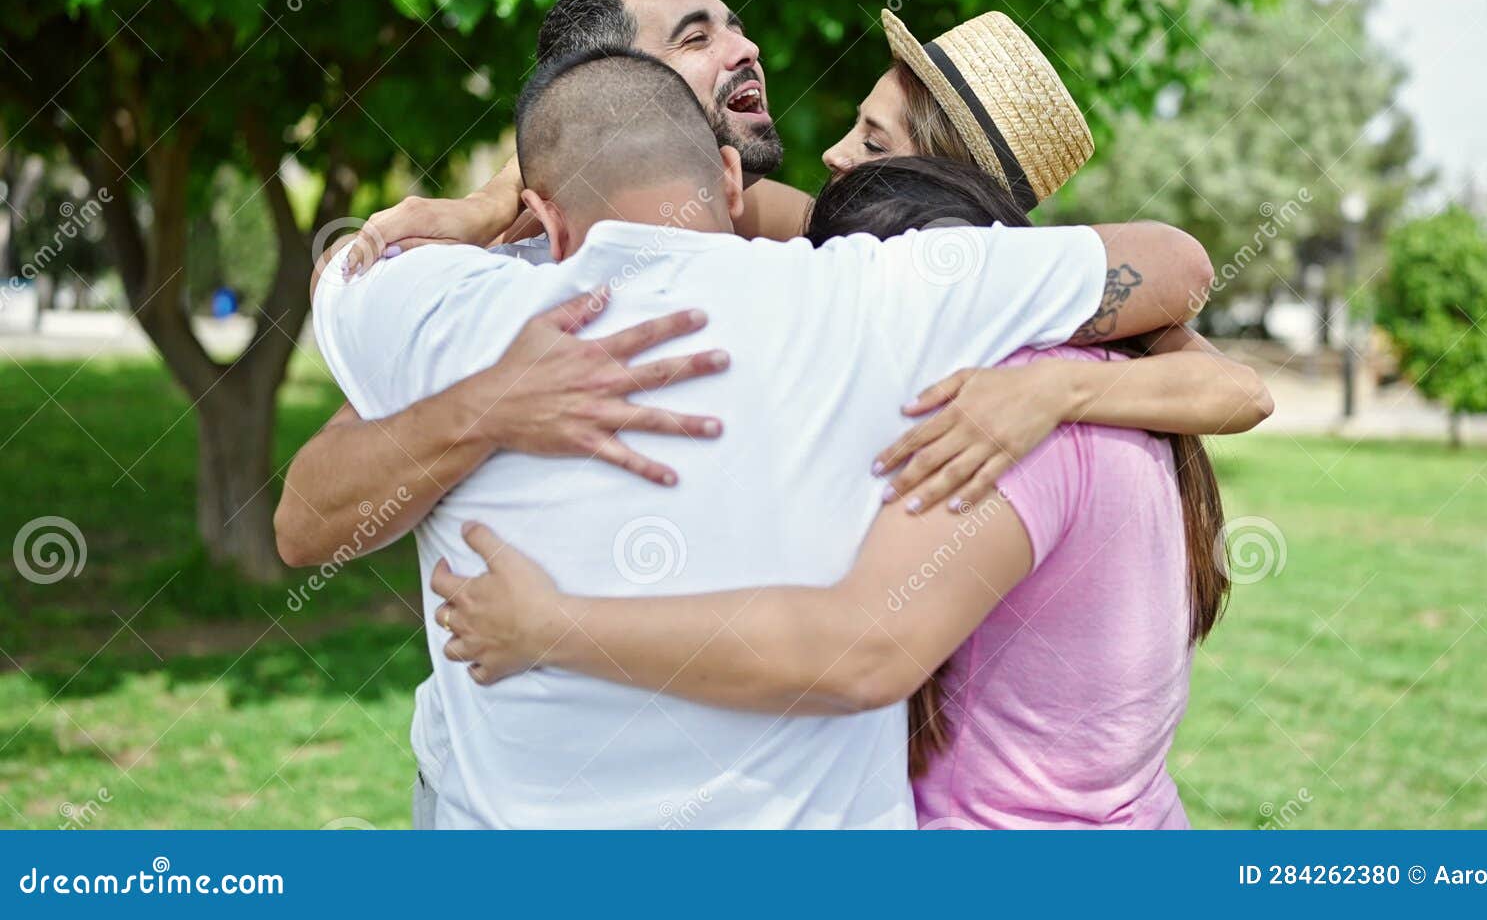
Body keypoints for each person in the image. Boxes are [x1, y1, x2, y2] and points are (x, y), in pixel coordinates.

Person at [311, 47, 1212, 827]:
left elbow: (860, 649)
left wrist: (551, 625)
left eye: (870, 143)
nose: (831, 154)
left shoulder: (986, 380)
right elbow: (1180, 288)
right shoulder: (906, 297)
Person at [275, 0, 1268, 568]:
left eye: (737, 22)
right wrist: (490, 382)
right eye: (700, 33)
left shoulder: (882, 270)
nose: (749, 47)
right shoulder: (506, 290)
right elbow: (309, 524)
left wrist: (1053, 397)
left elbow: (1214, 360)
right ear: (612, 82)